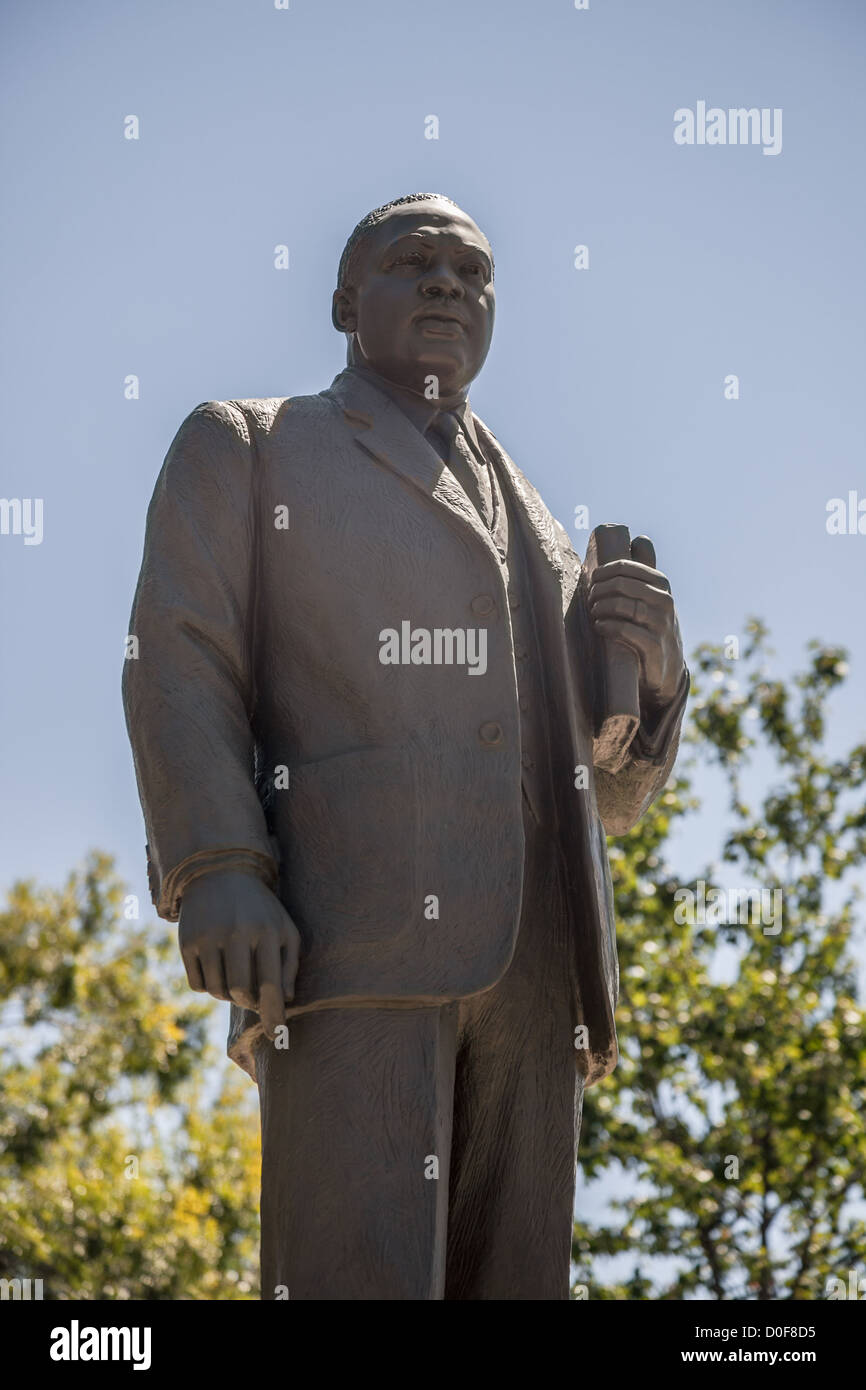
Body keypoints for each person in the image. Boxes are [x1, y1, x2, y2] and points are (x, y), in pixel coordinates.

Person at [123, 192, 689, 1299]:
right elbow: (178, 653)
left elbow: (611, 795)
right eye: (412, 261)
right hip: (350, 937)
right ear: (344, 301)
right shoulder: (251, 445)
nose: (445, 283)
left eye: (471, 272)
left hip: (541, 968)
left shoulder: (540, 524)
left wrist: (652, 684)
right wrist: (217, 865)